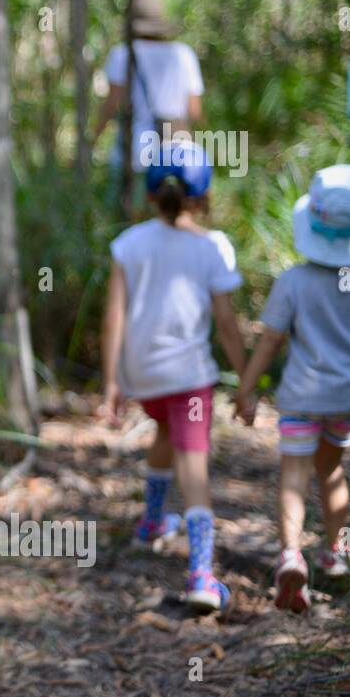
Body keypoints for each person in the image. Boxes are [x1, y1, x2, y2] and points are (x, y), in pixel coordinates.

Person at [235, 164, 350, 613]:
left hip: (302, 399)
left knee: (294, 474)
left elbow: (269, 341)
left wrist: (246, 391)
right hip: (348, 399)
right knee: (331, 472)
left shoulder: (295, 282)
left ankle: (291, 555)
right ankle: (336, 553)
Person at [100, 141, 247, 613]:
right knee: (194, 466)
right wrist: (246, 378)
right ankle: (202, 573)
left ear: (149, 195)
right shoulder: (212, 247)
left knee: (165, 429)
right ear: (202, 197)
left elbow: (113, 317)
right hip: (188, 377)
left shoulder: (129, 243)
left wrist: (111, 381)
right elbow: (226, 323)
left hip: (143, 374)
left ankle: (152, 522)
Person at [92, 0, 205, 204]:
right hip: (177, 154)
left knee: (127, 220)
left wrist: (92, 140)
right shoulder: (183, 54)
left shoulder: (122, 54)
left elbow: (111, 104)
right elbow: (195, 112)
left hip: (134, 153)